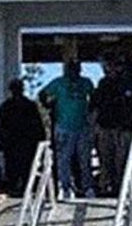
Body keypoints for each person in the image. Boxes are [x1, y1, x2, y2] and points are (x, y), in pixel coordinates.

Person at [90, 51, 132, 196]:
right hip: (106, 129)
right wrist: (94, 130)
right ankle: (109, 189)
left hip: (127, 129)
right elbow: (94, 107)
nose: (110, 68)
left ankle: (124, 191)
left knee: (124, 162)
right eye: (108, 65)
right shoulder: (103, 83)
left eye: (115, 64)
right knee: (106, 162)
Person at [38, 58, 95, 197]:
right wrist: (49, 106)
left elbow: (94, 97)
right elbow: (42, 94)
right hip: (63, 126)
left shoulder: (86, 82)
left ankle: (87, 188)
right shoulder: (58, 82)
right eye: (71, 68)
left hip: (82, 126)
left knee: (85, 159)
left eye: (76, 68)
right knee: (64, 159)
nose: (73, 71)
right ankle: (65, 188)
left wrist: (90, 111)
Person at [0, 77, 46, 195]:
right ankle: (20, 189)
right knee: (22, 168)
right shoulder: (28, 105)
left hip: (20, 143)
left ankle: (17, 189)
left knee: (16, 168)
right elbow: (38, 125)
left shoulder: (7, 106)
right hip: (20, 143)